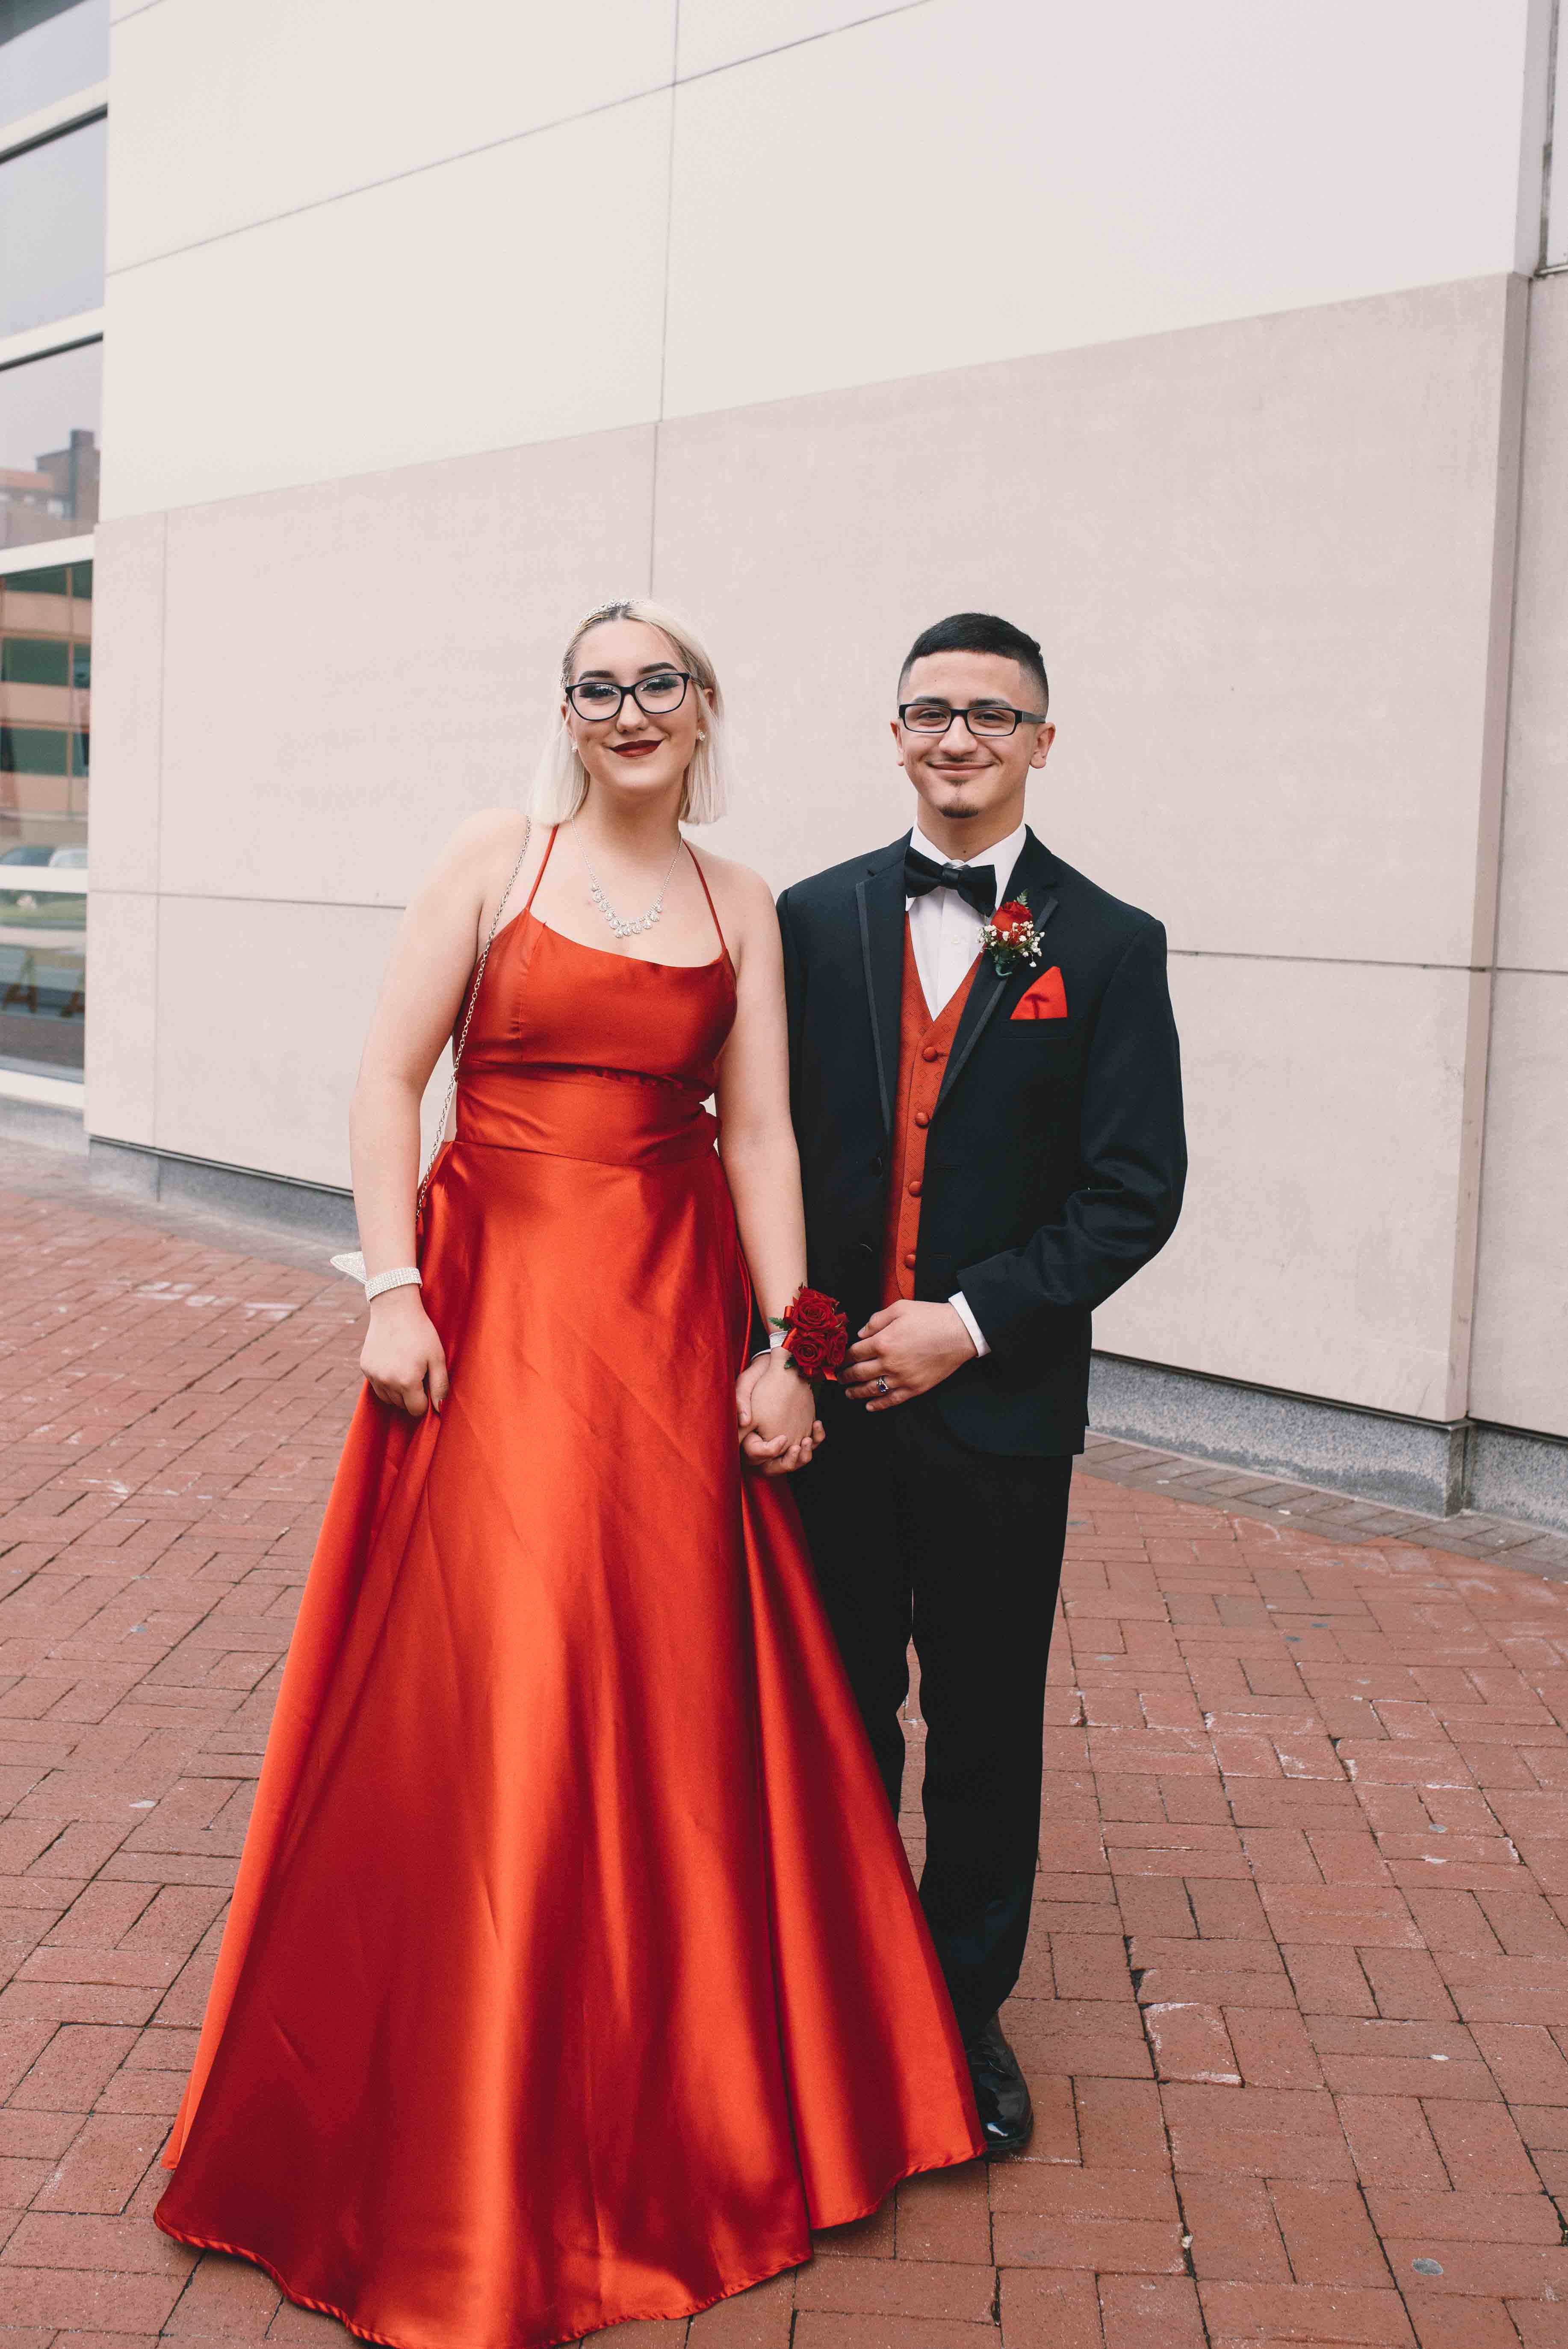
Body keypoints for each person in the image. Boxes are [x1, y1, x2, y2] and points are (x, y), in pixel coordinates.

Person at [154, 600, 982, 2349]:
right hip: (491, 1304)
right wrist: (388, 1288)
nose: (628, 711)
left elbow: (754, 1133)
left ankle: (651, 2089)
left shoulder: (736, 902)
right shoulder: (493, 853)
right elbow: (389, 1081)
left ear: (702, 709)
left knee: (663, 1676)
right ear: (567, 711)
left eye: (656, 685)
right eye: (597, 687)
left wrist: (786, 1337)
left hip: (668, 1320)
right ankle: (462, 2103)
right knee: (497, 1665)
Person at [742, 610, 1186, 2153]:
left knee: (987, 1724)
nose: (957, 740)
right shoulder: (809, 918)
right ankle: (841, 2000)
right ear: (893, 732)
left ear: (1040, 743)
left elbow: (1134, 1189)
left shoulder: (1107, 944)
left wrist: (972, 1321)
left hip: (998, 1413)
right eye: (930, 711)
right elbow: (761, 1151)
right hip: (833, 1403)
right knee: (838, 1710)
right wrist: (789, 1349)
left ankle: (958, 2018)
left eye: (991, 717)